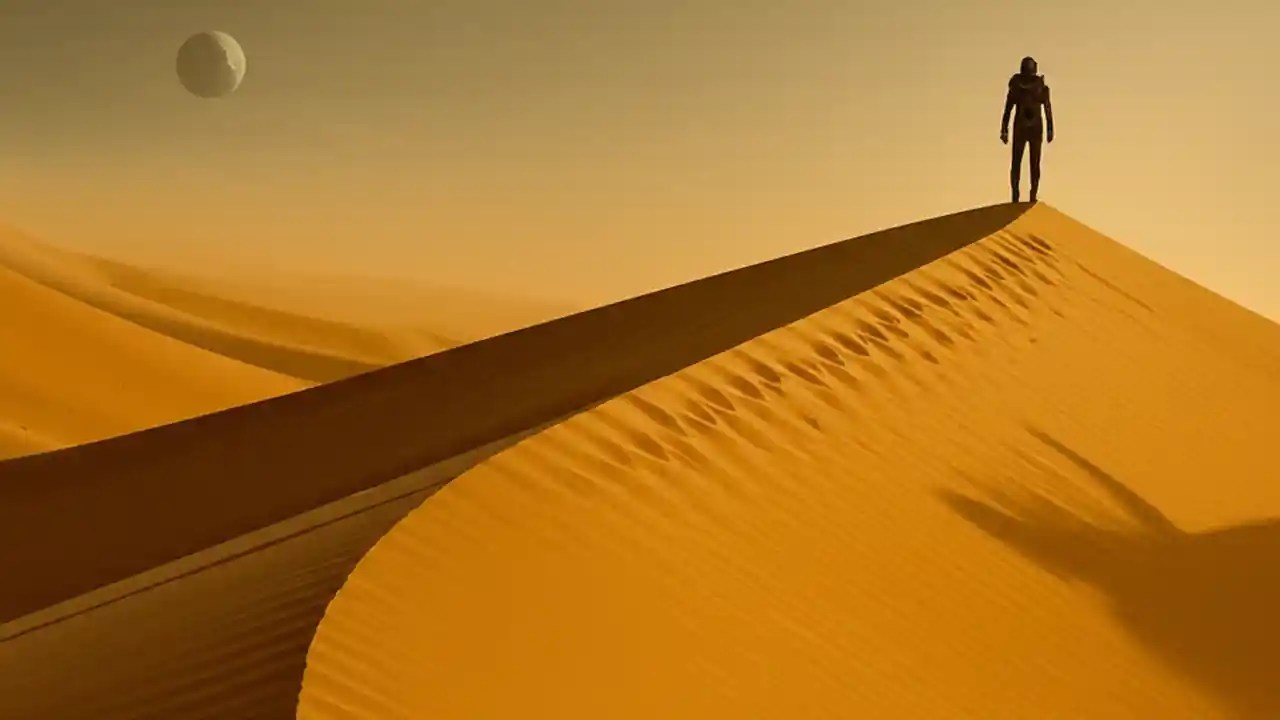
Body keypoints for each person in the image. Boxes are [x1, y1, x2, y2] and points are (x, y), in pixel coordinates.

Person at [1001, 56, 1054, 203]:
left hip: (1033, 127)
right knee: (1018, 162)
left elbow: (1047, 109)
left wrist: (1050, 128)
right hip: (1023, 126)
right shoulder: (1017, 86)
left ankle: (1031, 194)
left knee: (1033, 163)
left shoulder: (1040, 87)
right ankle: (1016, 195)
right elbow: (1008, 108)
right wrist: (1004, 128)